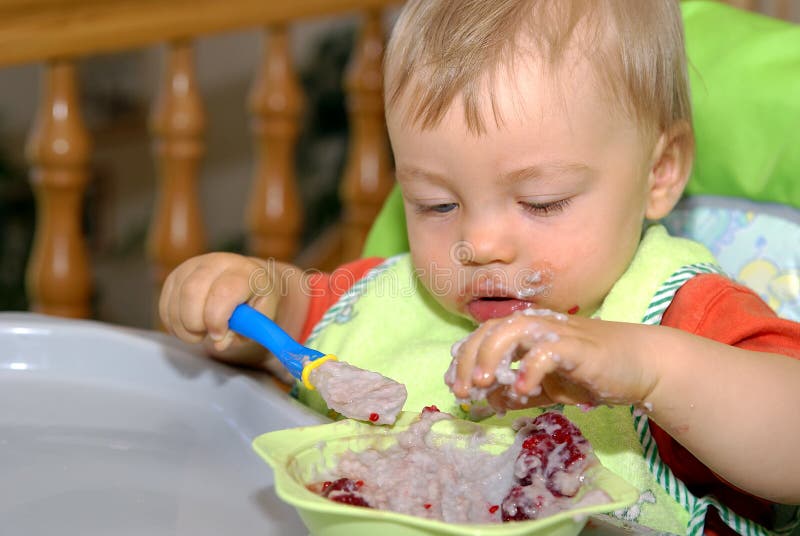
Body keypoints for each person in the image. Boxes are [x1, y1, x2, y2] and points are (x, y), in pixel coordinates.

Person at [159, 1, 800, 533]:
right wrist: (246, 297)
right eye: (436, 204)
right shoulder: (399, 295)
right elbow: (289, 331)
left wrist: (653, 369)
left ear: (659, 173)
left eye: (540, 201)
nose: (480, 243)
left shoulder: (684, 312)